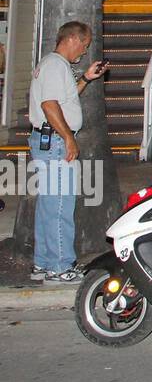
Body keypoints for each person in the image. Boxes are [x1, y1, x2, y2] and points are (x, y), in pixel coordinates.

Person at [28, 21, 107, 282]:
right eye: (83, 47)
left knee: (48, 205)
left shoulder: (55, 65)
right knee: (61, 205)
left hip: (48, 142)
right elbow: (49, 105)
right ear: (73, 39)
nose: (83, 53)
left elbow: (65, 98)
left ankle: (43, 262)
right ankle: (61, 267)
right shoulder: (54, 65)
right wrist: (68, 138)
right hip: (56, 143)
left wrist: (86, 77)